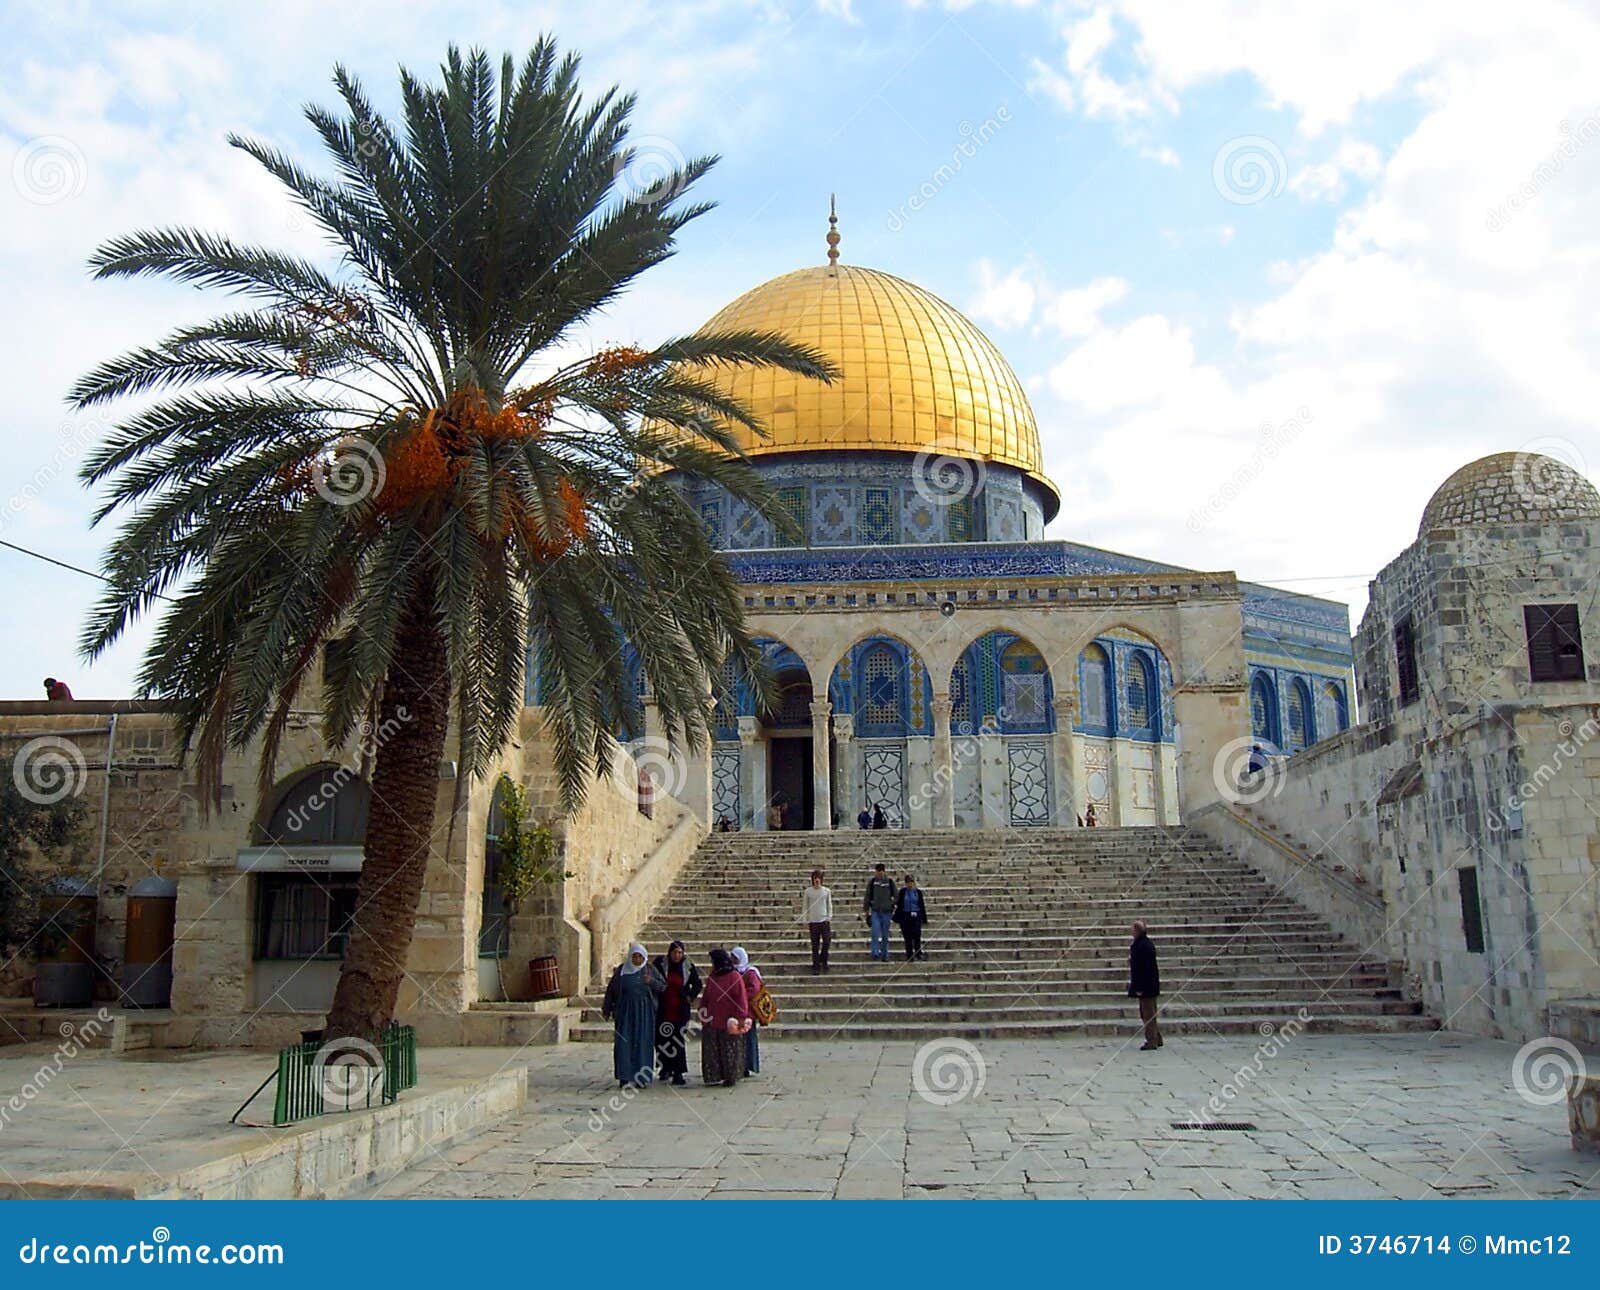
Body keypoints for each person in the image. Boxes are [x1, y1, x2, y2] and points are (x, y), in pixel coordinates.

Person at [602, 942, 664, 1087]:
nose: (637, 960)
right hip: (625, 1012)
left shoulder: (650, 970)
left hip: (645, 1012)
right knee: (624, 1043)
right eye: (634, 956)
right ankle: (625, 1076)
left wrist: (652, 982)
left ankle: (642, 1077)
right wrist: (607, 1008)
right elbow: (611, 990)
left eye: (640, 957)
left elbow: (663, 987)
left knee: (643, 1043)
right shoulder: (622, 971)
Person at [698, 948, 751, 1087]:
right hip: (712, 1020)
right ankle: (714, 1076)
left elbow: (741, 999)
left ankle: (730, 1076)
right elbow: (706, 997)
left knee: (730, 1050)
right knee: (713, 1050)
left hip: (729, 1021)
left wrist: (740, 1017)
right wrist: (703, 1013)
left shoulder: (734, 977)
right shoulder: (712, 977)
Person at [652, 939, 701, 1086]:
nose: (677, 955)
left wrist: (690, 996)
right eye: (675, 952)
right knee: (662, 1039)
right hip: (663, 1008)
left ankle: (678, 1072)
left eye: (680, 952)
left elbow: (697, 984)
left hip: (680, 1009)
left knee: (677, 1041)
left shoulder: (688, 967)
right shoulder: (661, 965)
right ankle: (665, 1067)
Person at [1128, 921, 1163, 1050]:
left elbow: (1143, 969)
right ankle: (1157, 1037)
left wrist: (1139, 988)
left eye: (1132, 929)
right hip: (1151, 985)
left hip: (1146, 986)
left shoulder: (1141, 946)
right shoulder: (1145, 944)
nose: (1131, 931)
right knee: (1150, 1013)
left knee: (1147, 1014)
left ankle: (1152, 1040)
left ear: (1137, 931)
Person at [731, 946, 764, 1075]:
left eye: (734, 958)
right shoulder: (734, 972)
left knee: (748, 1040)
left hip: (748, 1012)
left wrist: (739, 996)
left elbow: (754, 990)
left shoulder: (750, 973)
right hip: (737, 1011)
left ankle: (748, 1066)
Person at [863, 863, 896, 961]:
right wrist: (866, 910)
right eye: (878, 871)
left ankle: (885, 954)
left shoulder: (889, 882)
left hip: (886, 912)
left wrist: (891, 903)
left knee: (885, 934)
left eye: (881, 871)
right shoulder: (873, 882)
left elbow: (896, 895)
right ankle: (875, 952)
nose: (880, 873)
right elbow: (867, 896)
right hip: (875, 911)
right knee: (875, 933)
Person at [802, 869, 833, 973]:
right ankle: (816, 965)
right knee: (815, 945)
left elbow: (829, 905)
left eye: (818, 878)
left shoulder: (826, 891)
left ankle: (824, 960)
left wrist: (829, 917)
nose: (817, 880)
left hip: (824, 921)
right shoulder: (808, 891)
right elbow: (805, 906)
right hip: (813, 921)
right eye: (815, 878)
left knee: (827, 942)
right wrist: (805, 919)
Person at [894, 873, 929, 961]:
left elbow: (921, 905)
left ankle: (918, 952)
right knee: (907, 936)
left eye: (911, 882)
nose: (910, 884)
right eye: (908, 882)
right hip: (905, 915)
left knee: (917, 934)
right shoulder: (902, 892)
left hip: (916, 915)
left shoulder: (918, 892)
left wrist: (924, 918)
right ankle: (909, 954)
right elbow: (899, 904)